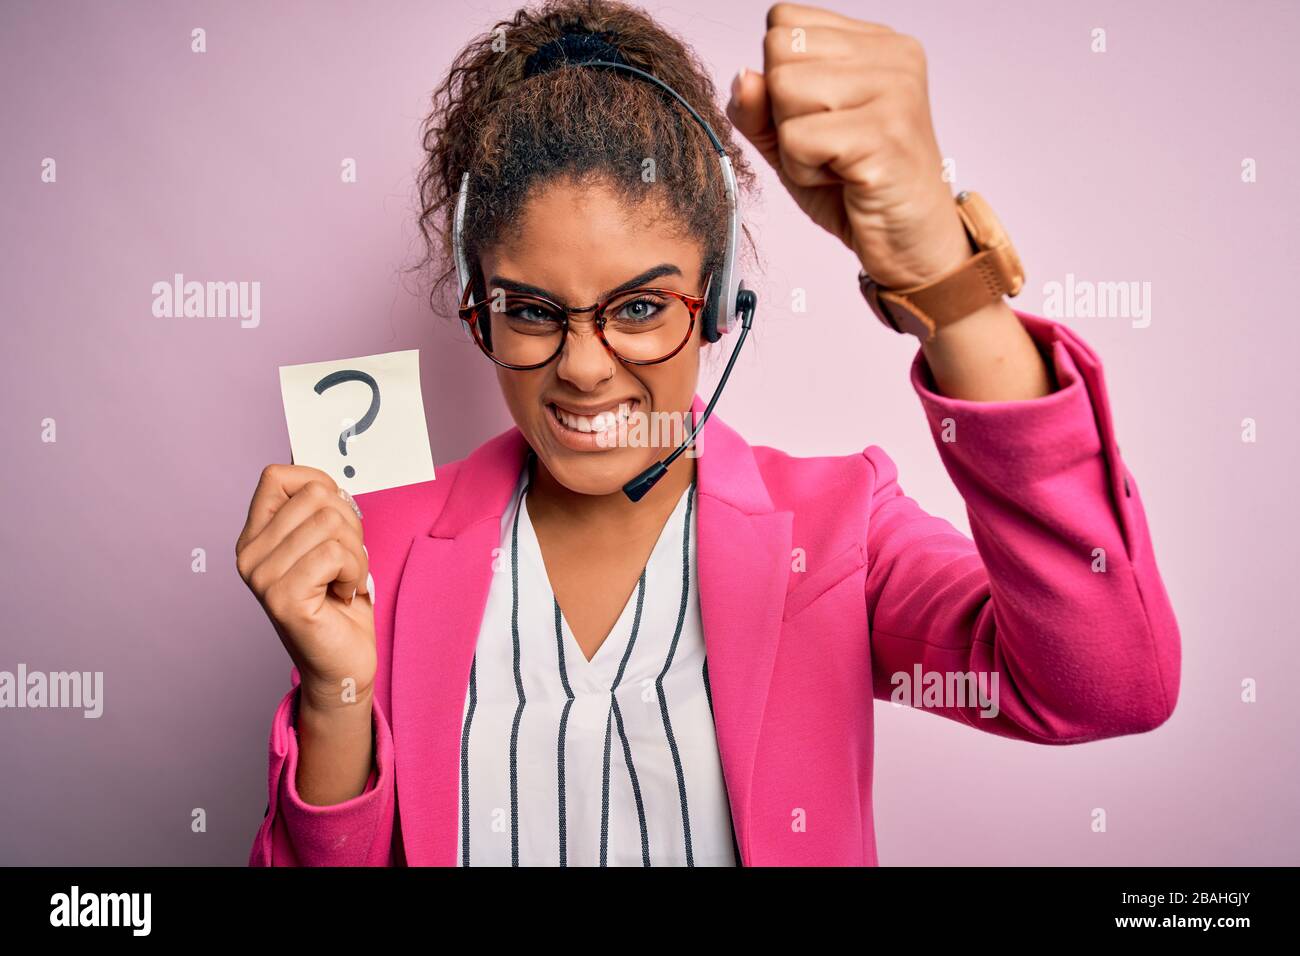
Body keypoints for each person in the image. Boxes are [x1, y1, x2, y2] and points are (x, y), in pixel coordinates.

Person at [237, 0, 1180, 866]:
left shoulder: (838, 530)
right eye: (530, 310)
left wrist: (949, 285)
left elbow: (1106, 686)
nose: (585, 366)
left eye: (642, 305)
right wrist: (335, 700)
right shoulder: (382, 550)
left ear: (720, 300)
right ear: (479, 309)